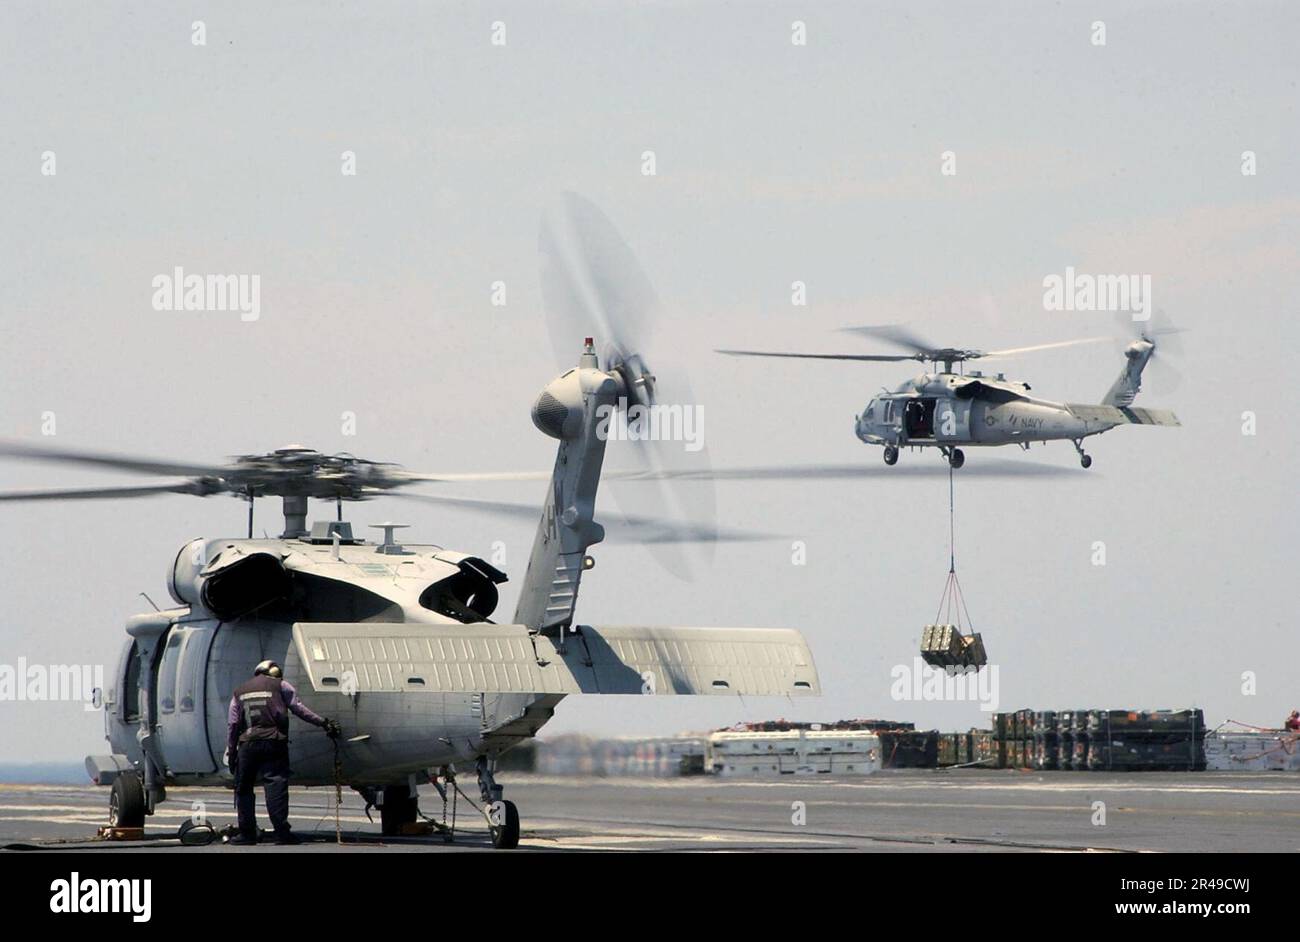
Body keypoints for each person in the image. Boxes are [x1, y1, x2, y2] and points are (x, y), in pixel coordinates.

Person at [225, 659, 340, 845]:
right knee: (275, 785)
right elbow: (299, 708)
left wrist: (232, 753)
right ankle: (282, 833)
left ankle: (246, 834)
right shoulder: (281, 685)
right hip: (273, 741)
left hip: (247, 744)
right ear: (274, 674)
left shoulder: (240, 691)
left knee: (244, 788)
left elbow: (233, 724)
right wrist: (323, 723)